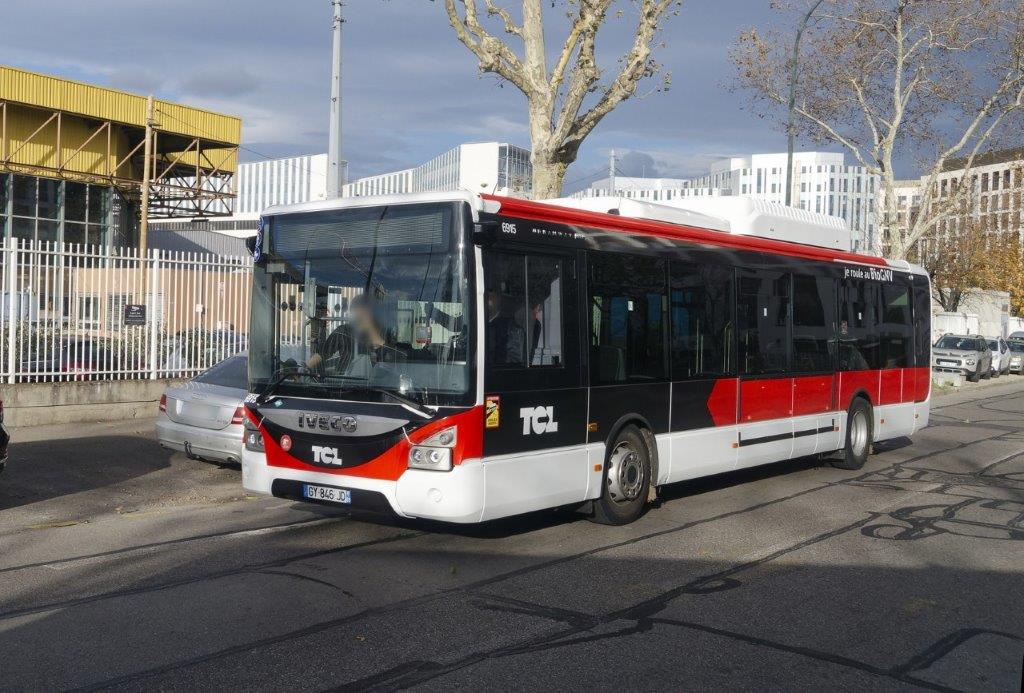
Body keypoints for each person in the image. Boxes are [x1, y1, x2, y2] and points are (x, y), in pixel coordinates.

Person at [307, 294, 387, 373]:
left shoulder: (383, 331)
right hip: (344, 380)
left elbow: (385, 352)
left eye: (366, 311)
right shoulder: (343, 331)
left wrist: (370, 329)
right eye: (358, 310)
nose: (362, 315)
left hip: (374, 382)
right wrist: (305, 368)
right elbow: (322, 353)